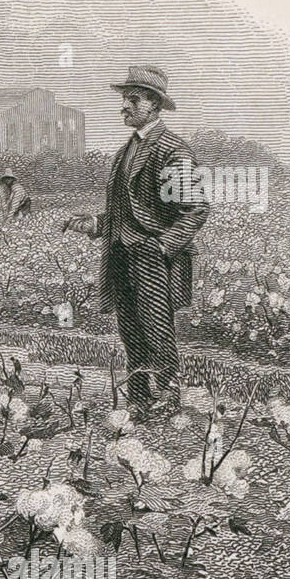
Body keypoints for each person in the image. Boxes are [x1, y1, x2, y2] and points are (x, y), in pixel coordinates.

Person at [61, 65, 209, 419]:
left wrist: (162, 247)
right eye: (124, 99)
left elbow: (196, 208)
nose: (124, 106)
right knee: (130, 331)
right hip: (120, 255)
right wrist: (94, 223)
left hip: (153, 259)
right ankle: (140, 401)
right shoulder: (127, 148)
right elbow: (127, 212)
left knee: (157, 329)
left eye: (133, 99)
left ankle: (169, 401)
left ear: (154, 104)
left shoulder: (172, 149)